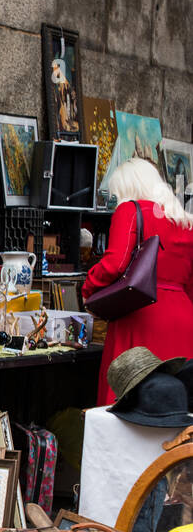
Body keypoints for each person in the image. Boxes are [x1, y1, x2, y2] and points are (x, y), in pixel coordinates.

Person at [82, 159, 193, 405]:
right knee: (178, 404)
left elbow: (115, 263)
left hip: (141, 314)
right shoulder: (185, 221)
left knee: (129, 401)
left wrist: (88, 288)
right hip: (184, 318)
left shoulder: (130, 211)